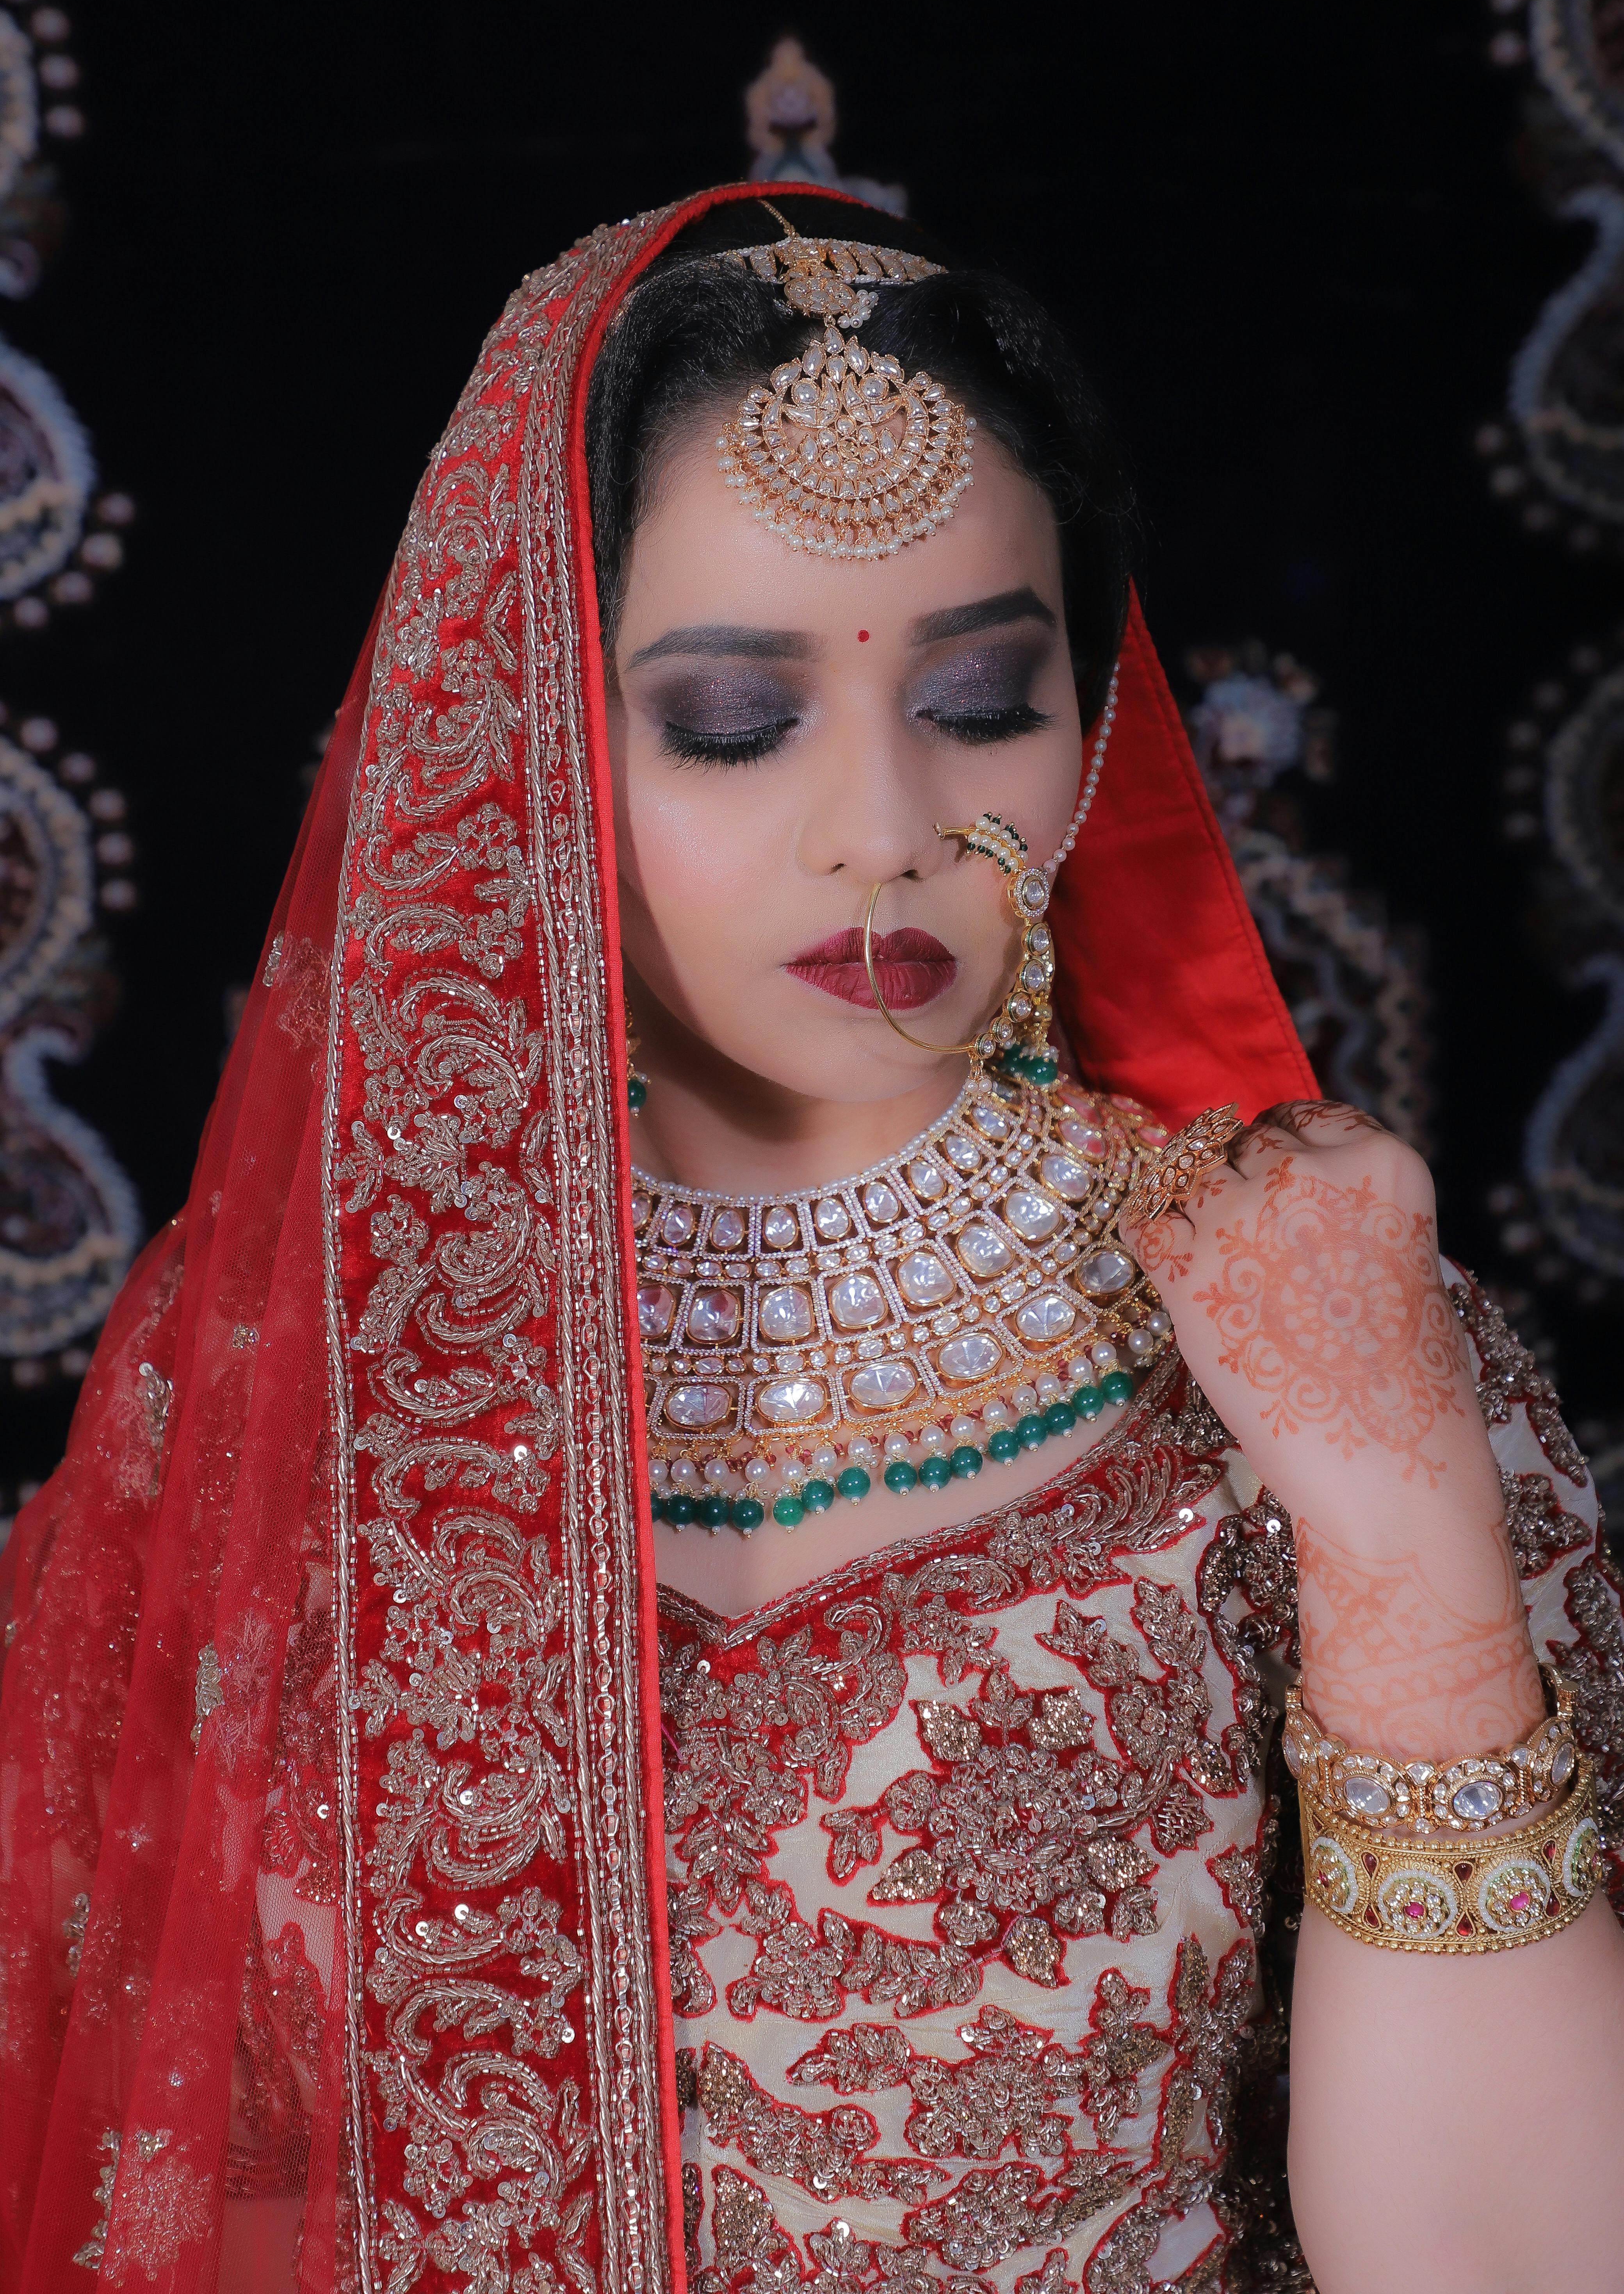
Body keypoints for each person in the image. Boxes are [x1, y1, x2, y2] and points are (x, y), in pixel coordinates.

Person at [1, 184, 1621, 2294]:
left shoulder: (1316, 1343)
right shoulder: (273, 1357)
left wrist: (1406, 1549)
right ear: (530, 741)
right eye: (733, 721)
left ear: (1097, 727)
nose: (878, 822)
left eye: (978, 697)